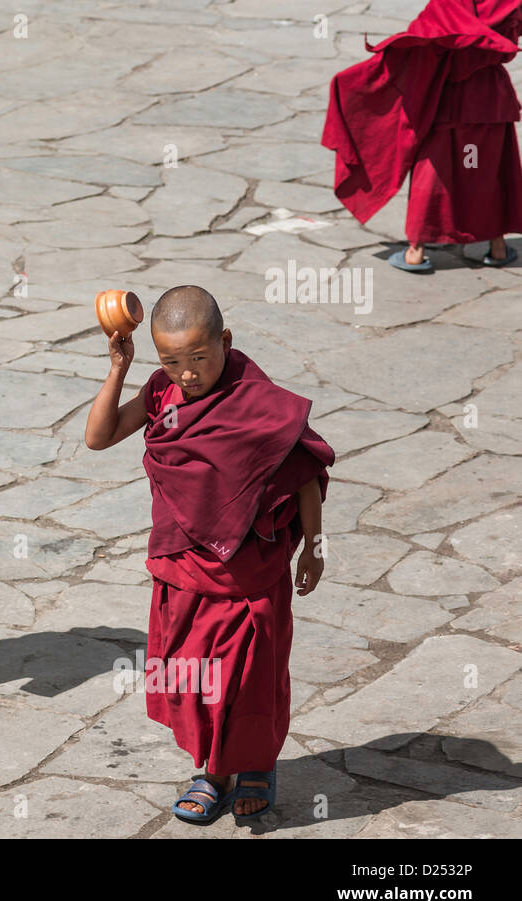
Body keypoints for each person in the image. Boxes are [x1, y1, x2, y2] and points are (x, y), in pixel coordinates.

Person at [83, 285, 334, 822]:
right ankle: (212, 770)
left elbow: (304, 474)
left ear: (226, 340)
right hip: (181, 566)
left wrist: (313, 548)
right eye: (172, 361)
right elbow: (98, 437)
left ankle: (256, 767)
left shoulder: (257, 401)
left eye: (199, 358)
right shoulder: (159, 395)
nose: (187, 374)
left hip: (248, 573)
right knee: (191, 677)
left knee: (248, 678)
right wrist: (118, 370)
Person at [323, 0, 522, 272]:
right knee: (482, 170)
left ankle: (416, 251)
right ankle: (497, 248)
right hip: (489, 102)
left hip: (448, 102)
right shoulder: (510, 4)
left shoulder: (447, 4)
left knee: (433, 174)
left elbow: (419, 45)